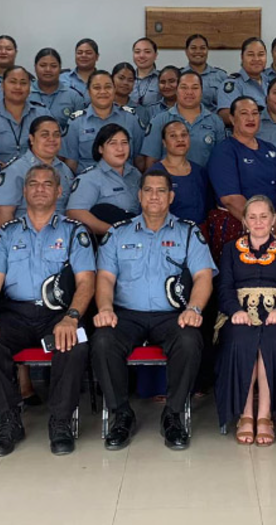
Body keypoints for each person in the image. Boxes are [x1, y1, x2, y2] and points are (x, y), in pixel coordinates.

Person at [0, 164, 96, 456]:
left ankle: (61, 422)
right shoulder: (6, 234)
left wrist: (71, 318)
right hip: (15, 313)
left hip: (59, 315)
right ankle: (8, 420)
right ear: (24, 190)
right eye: (33, 183)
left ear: (58, 191)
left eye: (46, 183)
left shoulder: (74, 232)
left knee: (74, 345)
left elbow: (86, 282)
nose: (40, 188)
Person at [92, 172, 216, 450]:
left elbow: (203, 277)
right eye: (148, 190)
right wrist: (105, 308)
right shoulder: (118, 232)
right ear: (140, 195)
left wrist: (194, 308)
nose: (154, 196)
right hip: (126, 314)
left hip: (172, 315)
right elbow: (105, 278)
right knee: (102, 341)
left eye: (161, 191)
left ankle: (172, 415)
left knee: (189, 340)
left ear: (171, 197)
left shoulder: (188, 232)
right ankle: (121, 413)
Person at [216, 195, 276, 445]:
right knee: (242, 339)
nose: (258, 222)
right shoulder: (230, 249)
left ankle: (265, 415)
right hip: (239, 313)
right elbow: (224, 288)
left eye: (264, 216)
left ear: (274, 219)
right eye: (252, 217)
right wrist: (235, 310)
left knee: (272, 340)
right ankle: (245, 414)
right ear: (244, 221)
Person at [206, 97, 276, 259]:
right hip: (239, 224)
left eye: (255, 113)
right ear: (232, 119)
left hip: (274, 226)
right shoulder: (224, 151)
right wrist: (261, 226)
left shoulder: (270, 149)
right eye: (244, 113)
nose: (251, 118)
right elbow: (230, 199)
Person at [0, 117, 74, 225]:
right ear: (32, 139)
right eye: (45, 135)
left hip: (60, 236)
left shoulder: (64, 169)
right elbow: (4, 216)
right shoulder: (15, 170)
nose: (52, 139)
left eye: (56, 135)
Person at [141, 70, 227, 169]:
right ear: (176, 90)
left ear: (202, 91)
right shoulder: (159, 121)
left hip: (205, 182)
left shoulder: (216, 121)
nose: (189, 92)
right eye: (184, 87)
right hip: (169, 182)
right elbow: (151, 161)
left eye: (195, 88)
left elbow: (221, 161)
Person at [67, 123, 142, 235]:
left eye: (124, 143)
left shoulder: (135, 174)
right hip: (108, 243)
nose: (120, 148)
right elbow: (75, 212)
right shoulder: (90, 178)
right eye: (113, 143)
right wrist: (114, 232)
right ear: (101, 149)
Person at [63, 71, 144, 173]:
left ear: (114, 89)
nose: (103, 92)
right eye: (97, 88)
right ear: (88, 91)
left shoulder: (130, 118)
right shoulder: (76, 122)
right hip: (89, 183)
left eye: (108, 87)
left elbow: (139, 159)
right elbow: (71, 163)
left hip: (125, 181)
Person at [147, 121, 212, 225]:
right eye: (173, 136)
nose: (180, 139)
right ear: (164, 142)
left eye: (184, 135)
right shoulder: (155, 173)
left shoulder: (200, 172)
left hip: (198, 234)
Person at [0, 66, 47, 164]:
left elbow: (51, 148)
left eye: (23, 83)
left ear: (29, 87)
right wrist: (7, 171)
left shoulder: (42, 114)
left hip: (36, 173)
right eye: (12, 82)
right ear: (2, 86)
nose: (18, 87)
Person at [218, 37, 270, 127]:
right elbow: (225, 115)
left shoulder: (270, 82)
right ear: (242, 57)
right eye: (251, 55)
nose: (256, 59)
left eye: (261, 54)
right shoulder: (233, 84)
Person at [26, 48, 86, 123]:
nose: (48, 69)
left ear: (60, 68)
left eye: (53, 66)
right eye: (43, 65)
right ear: (35, 67)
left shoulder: (74, 97)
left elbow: (80, 127)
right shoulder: (25, 94)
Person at [183, 34, 228, 109]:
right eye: (193, 48)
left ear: (207, 51)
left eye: (202, 48)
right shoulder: (179, 76)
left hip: (214, 119)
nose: (198, 51)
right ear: (186, 51)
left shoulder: (220, 76)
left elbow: (227, 103)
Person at [130, 37, 162, 107]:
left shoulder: (162, 79)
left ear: (155, 55)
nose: (141, 56)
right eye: (137, 52)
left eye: (147, 52)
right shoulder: (126, 79)